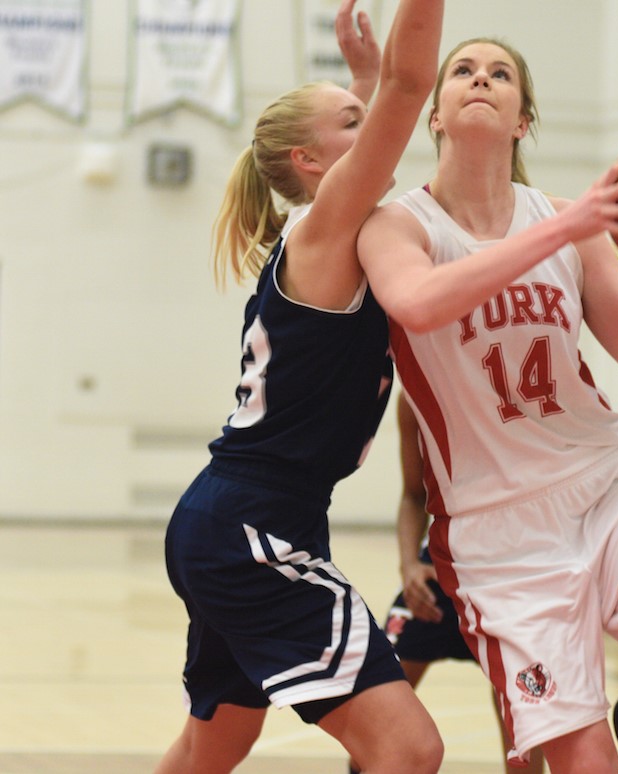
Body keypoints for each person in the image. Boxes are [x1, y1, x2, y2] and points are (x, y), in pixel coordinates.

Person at [356, 36, 618, 774]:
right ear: (434, 113)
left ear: (522, 118)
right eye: (462, 70)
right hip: (498, 531)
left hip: (601, 479)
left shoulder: (567, 224)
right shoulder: (400, 226)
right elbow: (419, 304)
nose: (480, 80)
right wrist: (569, 224)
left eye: (500, 74)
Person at [155, 3, 448, 773]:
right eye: (356, 119)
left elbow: (380, 118)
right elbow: (414, 83)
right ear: (308, 163)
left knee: (213, 745)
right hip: (254, 531)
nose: (380, 124)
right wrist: (388, 77)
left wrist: (362, 81)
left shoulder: (327, 233)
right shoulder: (321, 232)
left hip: (235, 522)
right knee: (410, 748)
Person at [351, 391, 545, 774]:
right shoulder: (414, 398)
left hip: (508, 575)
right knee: (370, 729)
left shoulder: (512, 379)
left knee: (522, 733)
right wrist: (408, 565)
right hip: (439, 569)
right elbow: (412, 496)